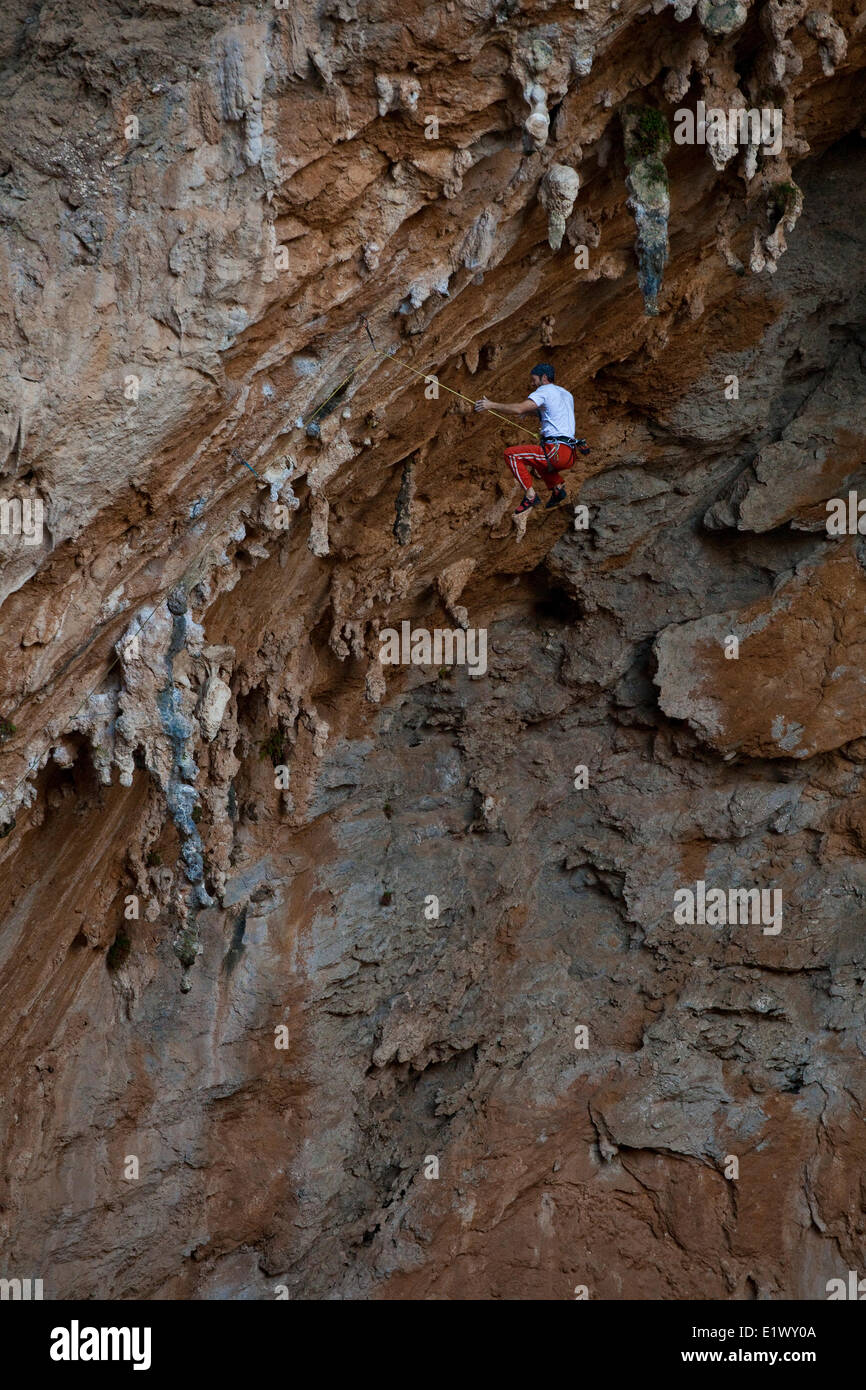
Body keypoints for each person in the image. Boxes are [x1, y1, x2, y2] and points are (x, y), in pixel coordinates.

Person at [475, 363, 589, 514]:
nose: (532, 383)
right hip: (569, 454)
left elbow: (519, 408)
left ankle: (530, 496)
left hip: (555, 453)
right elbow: (554, 413)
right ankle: (557, 488)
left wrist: (491, 404)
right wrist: (531, 413)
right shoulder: (566, 394)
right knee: (538, 460)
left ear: (544, 378)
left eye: (534, 379)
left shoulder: (543, 391)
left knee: (511, 454)